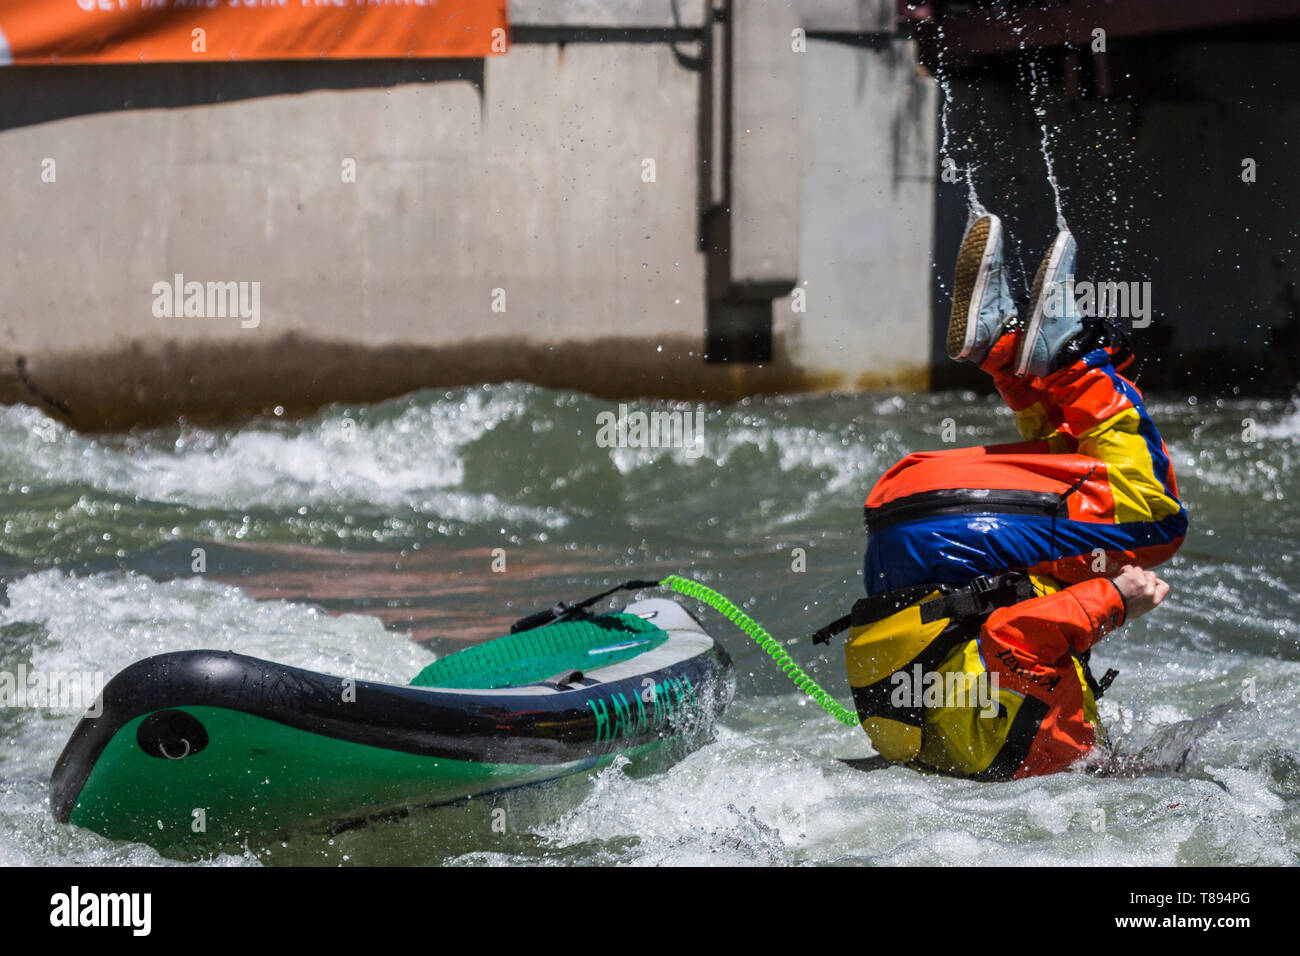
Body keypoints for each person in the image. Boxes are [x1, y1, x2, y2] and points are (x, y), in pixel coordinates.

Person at [840, 213, 1189, 779]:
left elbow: (1012, 640)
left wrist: (1117, 601)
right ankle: (1004, 349)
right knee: (1076, 497)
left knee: (1150, 520)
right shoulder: (969, 755)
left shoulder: (1048, 758)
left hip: (950, 534)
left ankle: (1071, 356)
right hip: (907, 537)